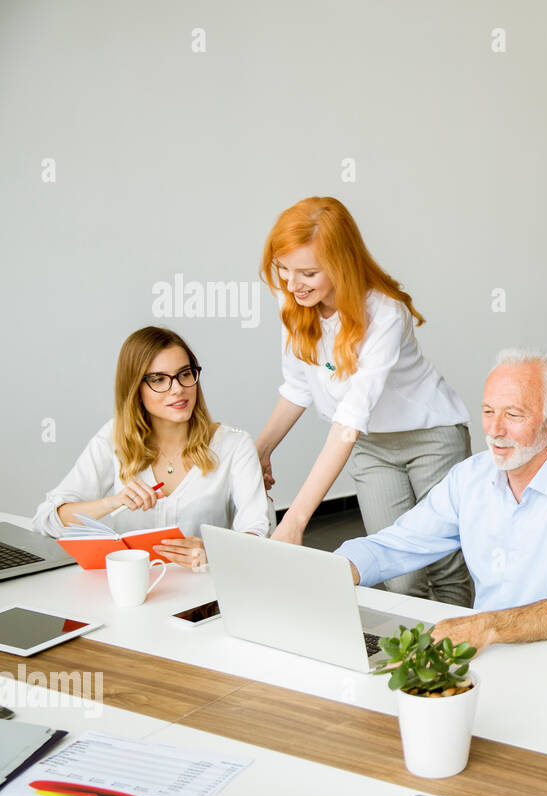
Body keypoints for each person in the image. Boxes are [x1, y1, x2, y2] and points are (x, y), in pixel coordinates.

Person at [254, 196, 474, 606]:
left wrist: (296, 519)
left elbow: (349, 419)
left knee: (445, 565)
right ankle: (414, 658)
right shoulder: (296, 305)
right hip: (373, 447)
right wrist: (261, 452)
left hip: (431, 438)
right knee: (399, 576)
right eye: (282, 269)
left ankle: (455, 662)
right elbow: (298, 387)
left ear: (340, 263)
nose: (291, 283)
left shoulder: (385, 313)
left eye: (308, 272)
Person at [336, 349, 547, 649]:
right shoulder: (470, 477)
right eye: (488, 412)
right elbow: (397, 544)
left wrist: (491, 626)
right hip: (492, 652)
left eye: (513, 415)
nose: (495, 430)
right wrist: (332, 570)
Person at [34, 327, 268, 566]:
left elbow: (257, 532)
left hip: (205, 596)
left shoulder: (234, 445)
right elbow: (47, 519)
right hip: (133, 595)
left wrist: (215, 552)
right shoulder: (114, 438)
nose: (178, 388)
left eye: (185, 374)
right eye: (159, 379)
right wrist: (113, 502)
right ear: (135, 389)